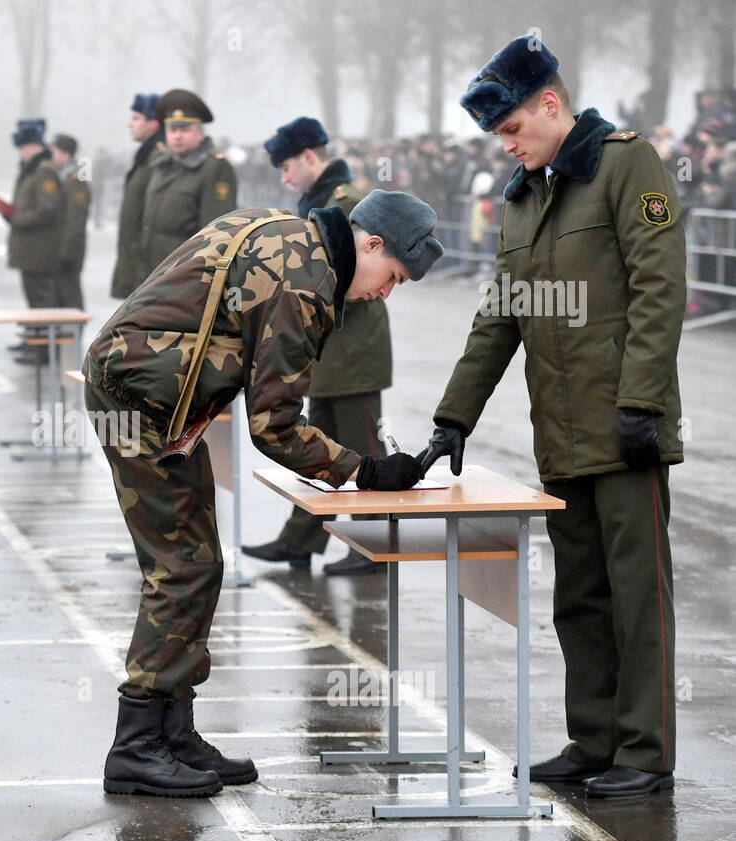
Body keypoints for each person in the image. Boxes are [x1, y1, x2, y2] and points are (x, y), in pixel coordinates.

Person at [85, 192, 442, 796]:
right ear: (371, 244)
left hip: (157, 401)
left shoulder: (289, 231)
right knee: (180, 569)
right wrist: (365, 471)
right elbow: (273, 426)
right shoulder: (305, 281)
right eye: (394, 277)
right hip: (138, 405)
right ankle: (137, 745)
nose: (386, 292)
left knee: (199, 565)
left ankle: (172, 730)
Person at [417, 36, 685, 799]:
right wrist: (454, 417)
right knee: (580, 597)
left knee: (640, 597)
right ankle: (593, 739)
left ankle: (646, 750)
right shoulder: (524, 195)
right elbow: (501, 312)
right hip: (561, 432)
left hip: (625, 428)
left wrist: (642, 401)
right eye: (498, 136)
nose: (507, 145)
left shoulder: (627, 165)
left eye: (512, 129)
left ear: (550, 103)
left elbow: (659, 287)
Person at [243, 116, 394, 575]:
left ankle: (375, 544)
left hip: (352, 350)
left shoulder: (347, 202)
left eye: (288, 166)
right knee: (319, 448)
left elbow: (361, 283)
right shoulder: (319, 202)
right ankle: (301, 539)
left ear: (310, 156)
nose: (284, 177)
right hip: (327, 349)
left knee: (364, 446)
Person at [139, 89, 237, 274]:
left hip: (185, 275)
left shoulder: (214, 168)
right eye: (172, 129)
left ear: (200, 133)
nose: (177, 136)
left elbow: (218, 235)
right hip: (152, 272)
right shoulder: (161, 166)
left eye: (185, 129)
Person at [5, 118, 63, 365]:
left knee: (43, 301)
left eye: (23, 147)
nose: (21, 152)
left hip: (39, 249)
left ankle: (44, 352)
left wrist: (17, 217)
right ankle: (34, 342)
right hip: (29, 249)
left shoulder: (44, 171)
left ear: (33, 146)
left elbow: (49, 209)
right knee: (34, 300)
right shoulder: (32, 169)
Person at [110, 93, 163, 299]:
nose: (130, 124)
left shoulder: (157, 157)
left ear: (153, 123)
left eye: (136, 118)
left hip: (146, 261)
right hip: (136, 257)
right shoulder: (146, 155)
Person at [50, 132, 89, 309]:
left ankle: (75, 335)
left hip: (69, 250)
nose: (52, 155)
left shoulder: (76, 180)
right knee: (60, 296)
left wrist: (67, 253)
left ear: (66, 154)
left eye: (55, 151)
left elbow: (76, 219)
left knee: (70, 297)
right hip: (60, 248)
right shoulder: (62, 176)